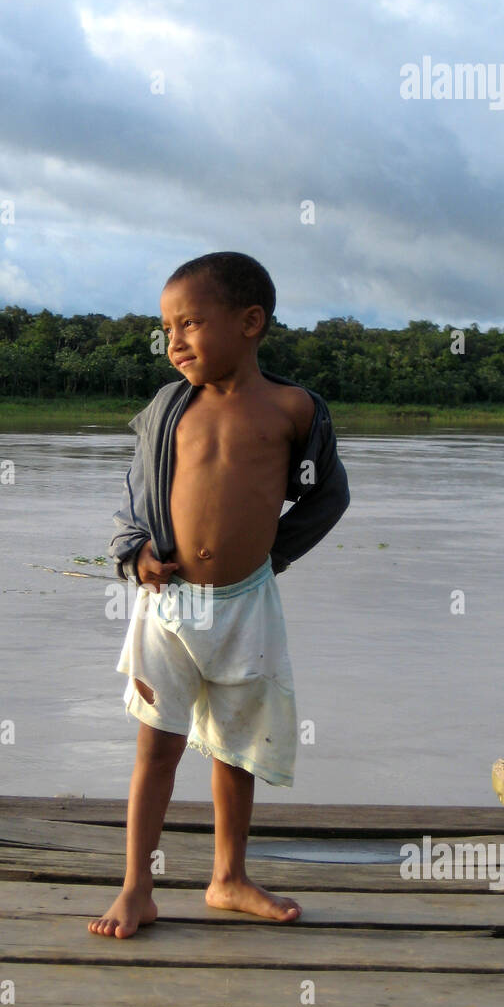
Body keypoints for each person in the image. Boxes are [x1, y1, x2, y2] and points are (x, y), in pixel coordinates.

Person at [90, 251, 349, 939]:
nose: (173, 342)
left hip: (246, 605)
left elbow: (328, 494)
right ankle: (137, 887)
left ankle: (227, 876)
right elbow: (135, 497)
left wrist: (277, 552)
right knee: (157, 749)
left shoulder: (294, 410)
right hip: (169, 608)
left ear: (250, 322)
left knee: (238, 750)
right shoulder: (169, 410)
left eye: (190, 324)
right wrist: (136, 552)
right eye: (166, 328)